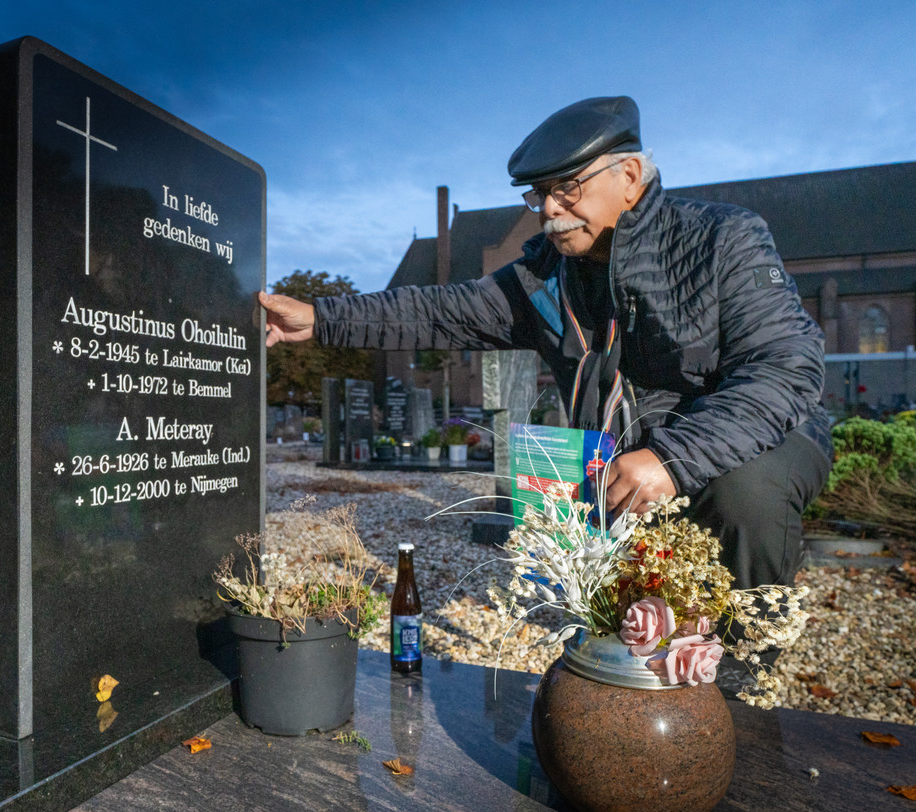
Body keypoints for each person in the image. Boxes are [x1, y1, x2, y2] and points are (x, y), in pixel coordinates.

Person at [260, 96, 831, 591]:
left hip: (754, 438)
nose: (551, 211)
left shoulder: (723, 239)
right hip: (620, 455)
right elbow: (439, 311)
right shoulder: (544, 277)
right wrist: (319, 316)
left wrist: (671, 457)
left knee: (745, 493)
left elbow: (785, 367)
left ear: (630, 177)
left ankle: (737, 676)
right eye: (540, 195)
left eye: (568, 189)